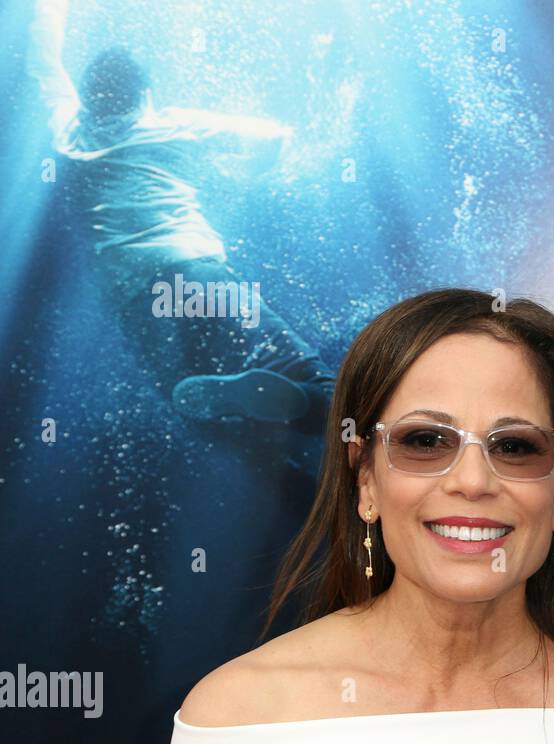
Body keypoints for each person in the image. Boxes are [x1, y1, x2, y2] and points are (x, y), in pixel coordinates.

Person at [161, 289, 554, 744]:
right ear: (365, 480)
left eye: (513, 447)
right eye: (425, 441)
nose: (472, 482)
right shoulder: (233, 715)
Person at [27, 0, 334, 432]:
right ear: (145, 95)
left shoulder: (67, 133)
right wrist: (236, 179)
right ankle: (308, 399)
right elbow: (273, 138)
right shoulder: (174, 125)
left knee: (187, 398)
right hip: (194, 269)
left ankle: (245, 419)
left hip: (136, 295)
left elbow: (42, 65)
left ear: (86, 93)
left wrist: (50, 8)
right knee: (301, 368)